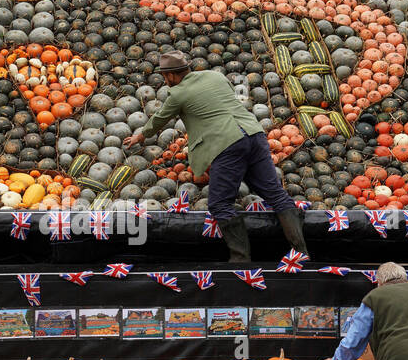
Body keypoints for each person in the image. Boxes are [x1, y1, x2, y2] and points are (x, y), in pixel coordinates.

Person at [122, 51, 306, 262]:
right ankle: (301, 254)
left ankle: (240, 261)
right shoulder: (215, 75)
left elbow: (160, 118)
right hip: (254, 133)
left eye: (165, 77)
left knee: (219, 204)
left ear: (170, 76)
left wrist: (140, 136)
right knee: (276, 194)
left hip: (227, 144)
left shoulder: (178, 93)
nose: (165, 81)